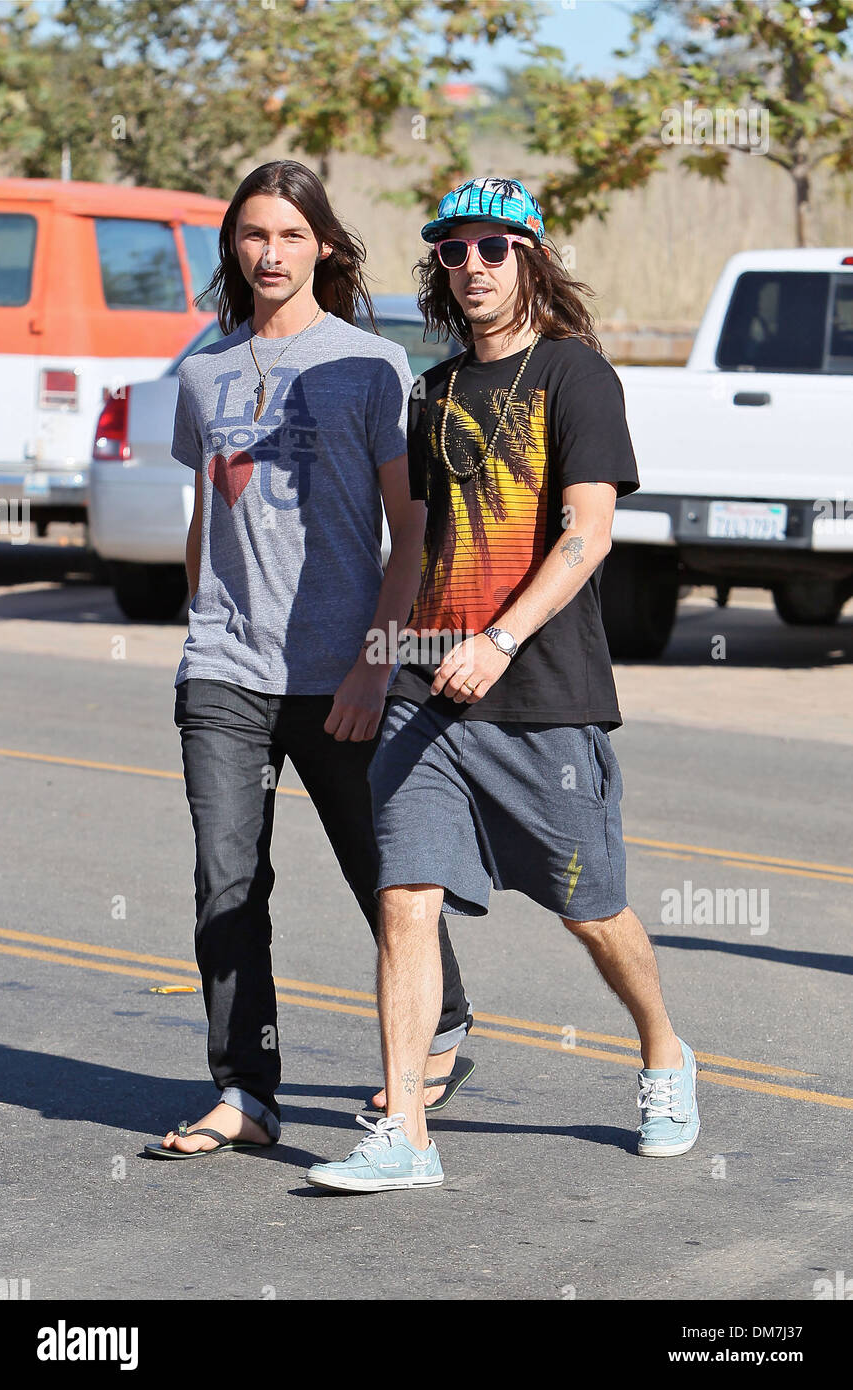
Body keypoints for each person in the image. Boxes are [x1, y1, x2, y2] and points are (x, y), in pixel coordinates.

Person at [307, 176, 699, 1193]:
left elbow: (586, 532)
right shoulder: (432, 393)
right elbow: (421, 546)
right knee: (403, 898)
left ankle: (662, 1050)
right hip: (423, 697)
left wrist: (501, 639)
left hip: (540, 695)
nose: (472, 266)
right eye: (453, 251)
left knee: (590, 908)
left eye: (493, 248)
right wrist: (381, 657)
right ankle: (403, 1130)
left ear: (530, 257)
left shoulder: (575, 376)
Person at [144, 160, 473, 1159]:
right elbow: (205, 514)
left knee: (381, 871)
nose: (271, 253)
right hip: (224, 670)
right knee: (225, 882)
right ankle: (246, 1089)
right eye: (253, 235)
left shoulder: (371, 366)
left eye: (291, 235)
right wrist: (200, 626)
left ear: (322, 244)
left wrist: (378, 659)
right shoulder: (202, 372)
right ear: (232, 248)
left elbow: (408, 529)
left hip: (342, 667)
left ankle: (439, 1024)